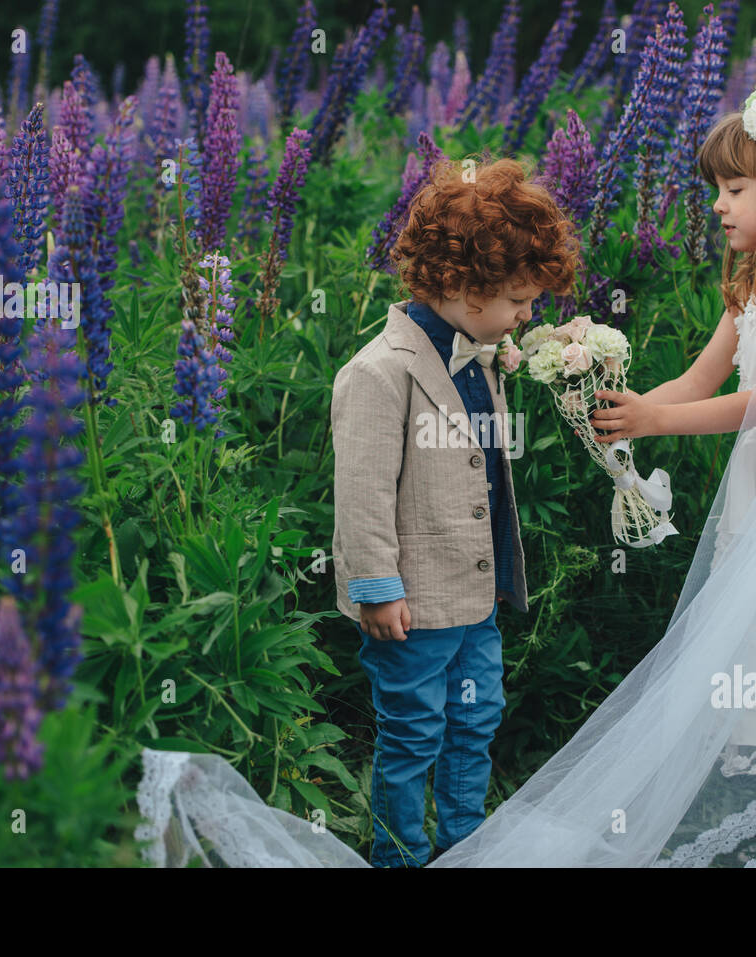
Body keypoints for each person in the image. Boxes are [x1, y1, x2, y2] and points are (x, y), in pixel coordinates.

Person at [134, 89, 756, 868]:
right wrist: (623, 403)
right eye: (714, 190)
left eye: (733, 190)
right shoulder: (748, 288)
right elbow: (700, 381)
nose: (716, 206)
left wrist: (656, 420)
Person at [329, 155, 577, 867]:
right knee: (413, 730)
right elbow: (362, 493)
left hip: (476, 593)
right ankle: (399, 852)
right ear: (467, 288)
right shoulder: (380, 372)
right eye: (520, 301)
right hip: (411, 603)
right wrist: (376, 586)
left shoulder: (482, 351)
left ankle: (465, 841)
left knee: (476, 718)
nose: (529, 316)